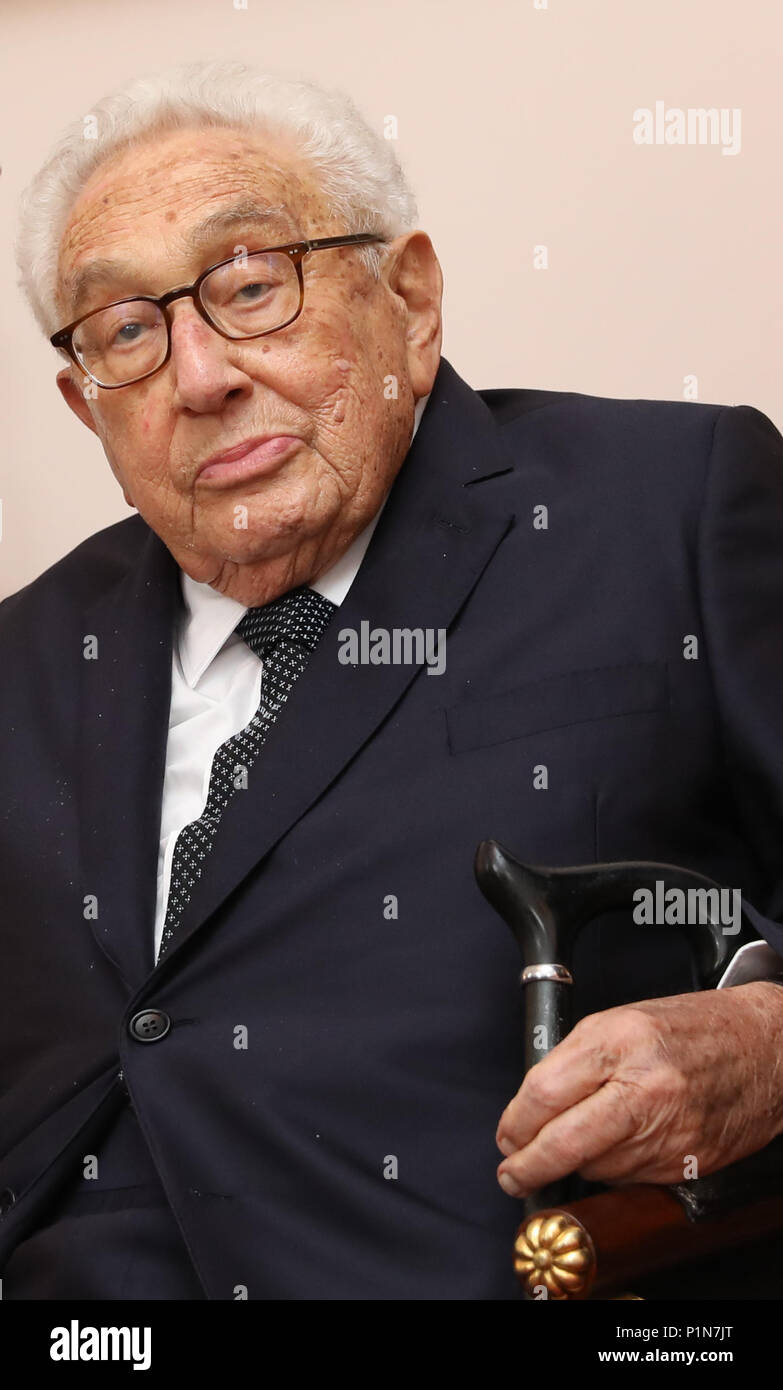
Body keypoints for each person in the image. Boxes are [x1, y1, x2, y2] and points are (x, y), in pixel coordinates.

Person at [2, 58, 783, 1301]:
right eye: (127, 332)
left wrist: (769, 1042)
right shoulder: (25, 659)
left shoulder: (669, 506)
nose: (199, 376)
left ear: (410, 302)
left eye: (252, 286)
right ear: (85, 404)